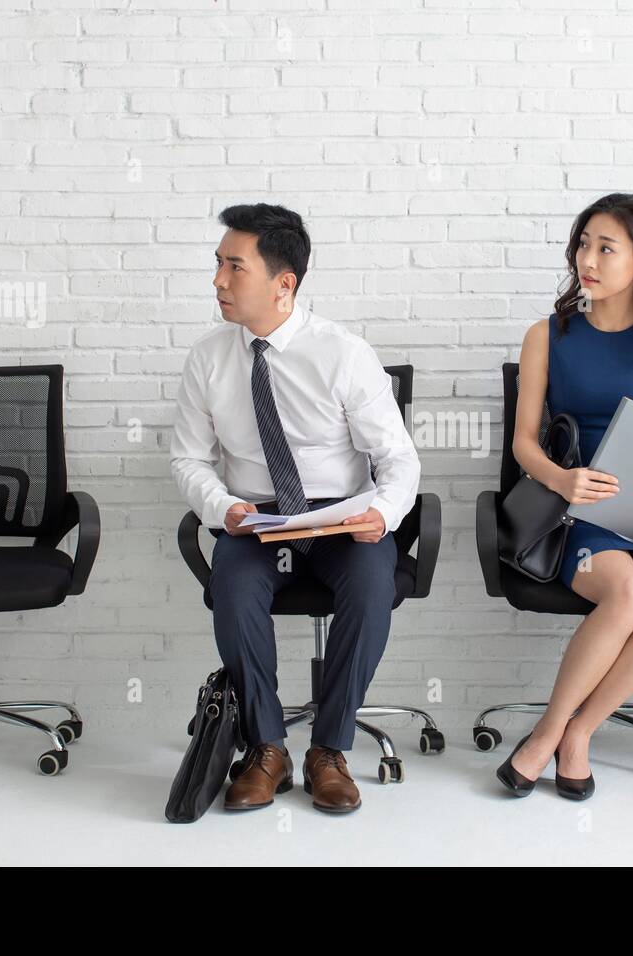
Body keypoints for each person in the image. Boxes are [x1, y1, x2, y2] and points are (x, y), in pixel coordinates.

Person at [170, 203, 419, 814]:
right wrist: (223, 508)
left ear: (285, 283)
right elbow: (188, 461)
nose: (219, 281)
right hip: (254, 520)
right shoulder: (208, 358)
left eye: (235, 267)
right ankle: (267, 749)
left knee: (368, 587)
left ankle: (329, 750)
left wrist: (381, 515)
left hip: (339, 519)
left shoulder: (344, 353)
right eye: (218, 265)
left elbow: (399, 460)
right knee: (233, 589)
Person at [495, 193, 633, 801]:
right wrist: (563, 481)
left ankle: (580, 731)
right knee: (628, 591)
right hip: (578, 511)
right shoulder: (548, 335)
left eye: (605, 247)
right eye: (583, 243)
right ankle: (546, 735)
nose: (587, 258)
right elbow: (524, 446)